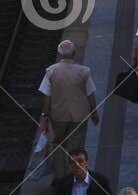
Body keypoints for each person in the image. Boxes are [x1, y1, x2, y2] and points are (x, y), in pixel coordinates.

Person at [38, 40, 98, 180]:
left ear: (59, 54)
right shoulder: (84, 71)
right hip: (79, 116)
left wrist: (46, 114)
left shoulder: (51, 71)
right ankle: (74, 175)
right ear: (74, 54)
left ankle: (60, 176)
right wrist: (94, 112)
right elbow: (90, 93)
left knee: (58, 145)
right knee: (76, 147)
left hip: (58, 116)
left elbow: (46, 95)